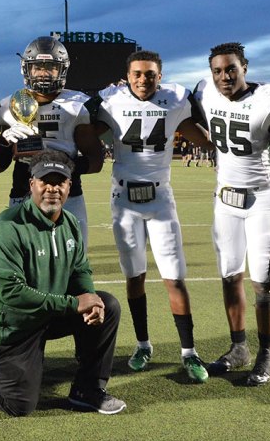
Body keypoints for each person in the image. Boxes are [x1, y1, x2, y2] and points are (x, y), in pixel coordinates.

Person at [0, 150, 126, 416]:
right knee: (18, 404)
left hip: (45, 314)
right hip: (10, 326)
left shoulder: (70, 224)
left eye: (60, 182)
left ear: (69, 186)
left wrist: (90, 300)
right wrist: (73, 303)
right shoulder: (7, 227)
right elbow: (11, 293)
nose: (52, 189)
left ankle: (87, 389)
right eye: (45, 181)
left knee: (108, 306)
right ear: (32, 183)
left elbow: (79, 270)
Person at [89, 50, 214, 383]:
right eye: (137, 73)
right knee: (135, 276)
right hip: (124, 200)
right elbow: (84, 130)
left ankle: (189, 351)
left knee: (174, 277)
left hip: (160, 198)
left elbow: (200, 136)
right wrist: (96, 99)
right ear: (127, 75)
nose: (143, 79)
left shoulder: (175, 99)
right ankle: (143, 345)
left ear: (160, 75)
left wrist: (222, 141)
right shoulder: (112, 100)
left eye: (149, 74)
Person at [193, 42, 270, 386]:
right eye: (217, 71)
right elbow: (186, 115)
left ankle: (266, 353)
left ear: (245, 67)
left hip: (261, 201)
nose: (224, 76)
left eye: (231, 69)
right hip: (225, 199)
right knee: (229, 275)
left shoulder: (269, 102)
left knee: (262, 282)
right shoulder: (205, 93)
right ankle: (238, 347)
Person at [0, 36, 103, 247]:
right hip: (23, 191)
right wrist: (5, 142)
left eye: (50, 67)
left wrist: (57, 165)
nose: (43, 73)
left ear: (62, 69)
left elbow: (95, 162)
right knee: (24, 261)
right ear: (27, 69)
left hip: (67, 194)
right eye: (38, 67)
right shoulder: (9, 105)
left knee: (72, 259)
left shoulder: (77, 106)